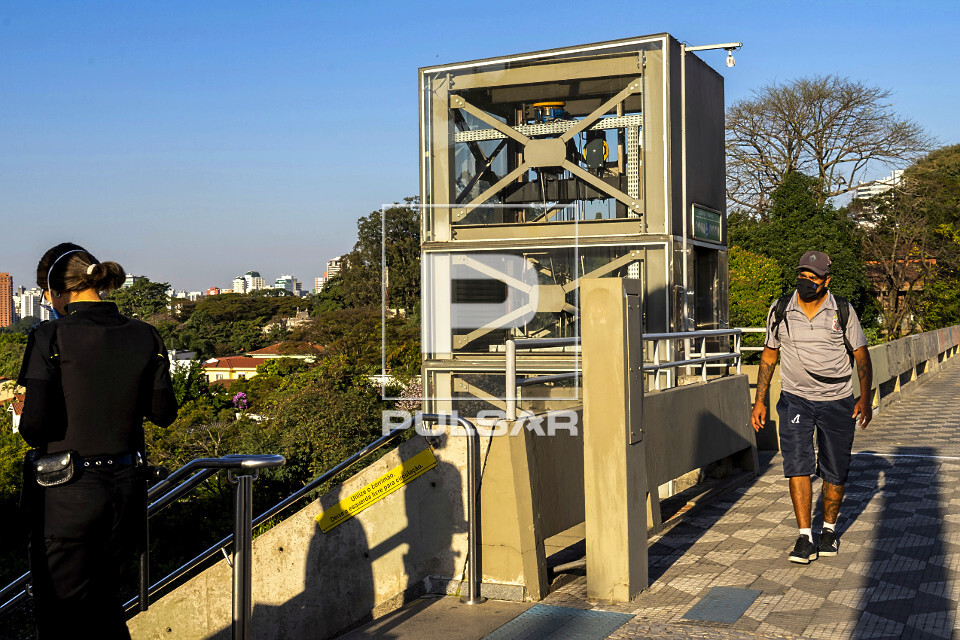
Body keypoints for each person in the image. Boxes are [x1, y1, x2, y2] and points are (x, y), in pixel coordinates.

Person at [16, 243, 178, 639]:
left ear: (57, 291)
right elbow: (163, 414)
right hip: (125, 493)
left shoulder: (49, 336)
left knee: (62, 617)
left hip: (67, 496)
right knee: (106, 607)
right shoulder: (146, 334)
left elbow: (35, 427)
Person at [750, 251, 873, 564]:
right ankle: (805, 537)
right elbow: (768, 355)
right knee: (797, 464)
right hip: (795, 399)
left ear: (826, 280)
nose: (806, 281)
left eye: (813, 277)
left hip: (838, 400)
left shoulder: (842, 311)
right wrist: (760, 400)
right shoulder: (780, 309)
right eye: (802, 275)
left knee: (835, 469)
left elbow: (861, 356)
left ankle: (828, 530)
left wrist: (865, 398)